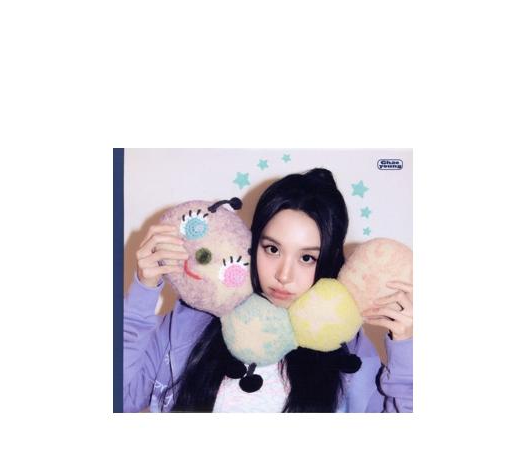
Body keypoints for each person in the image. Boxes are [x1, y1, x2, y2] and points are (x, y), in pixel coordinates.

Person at [123, 168, 413, 412]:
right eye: (272, 249)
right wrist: (143, 293)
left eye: (307, 258)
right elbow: (121, 398)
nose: (283, 275)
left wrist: (405, 350)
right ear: (251, 243)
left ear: (328, 261)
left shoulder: (350, 354)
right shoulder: (190, 322)